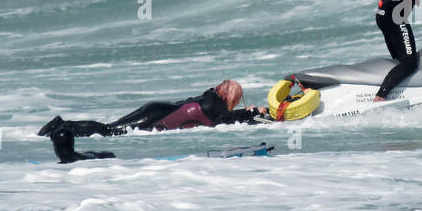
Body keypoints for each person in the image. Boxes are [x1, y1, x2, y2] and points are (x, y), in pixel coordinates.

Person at [37, 80, 268, 162]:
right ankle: (64, 127)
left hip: (158, 109)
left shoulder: (211, 97)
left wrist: (245, 113)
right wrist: (250, 115)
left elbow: (225, 117)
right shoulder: (214, 106)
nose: (237, 103)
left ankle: (61, 124)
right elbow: (224, 120)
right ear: (230, 96)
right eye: (237, 99)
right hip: (156, 115)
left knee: (112, 130)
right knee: (112, 131)